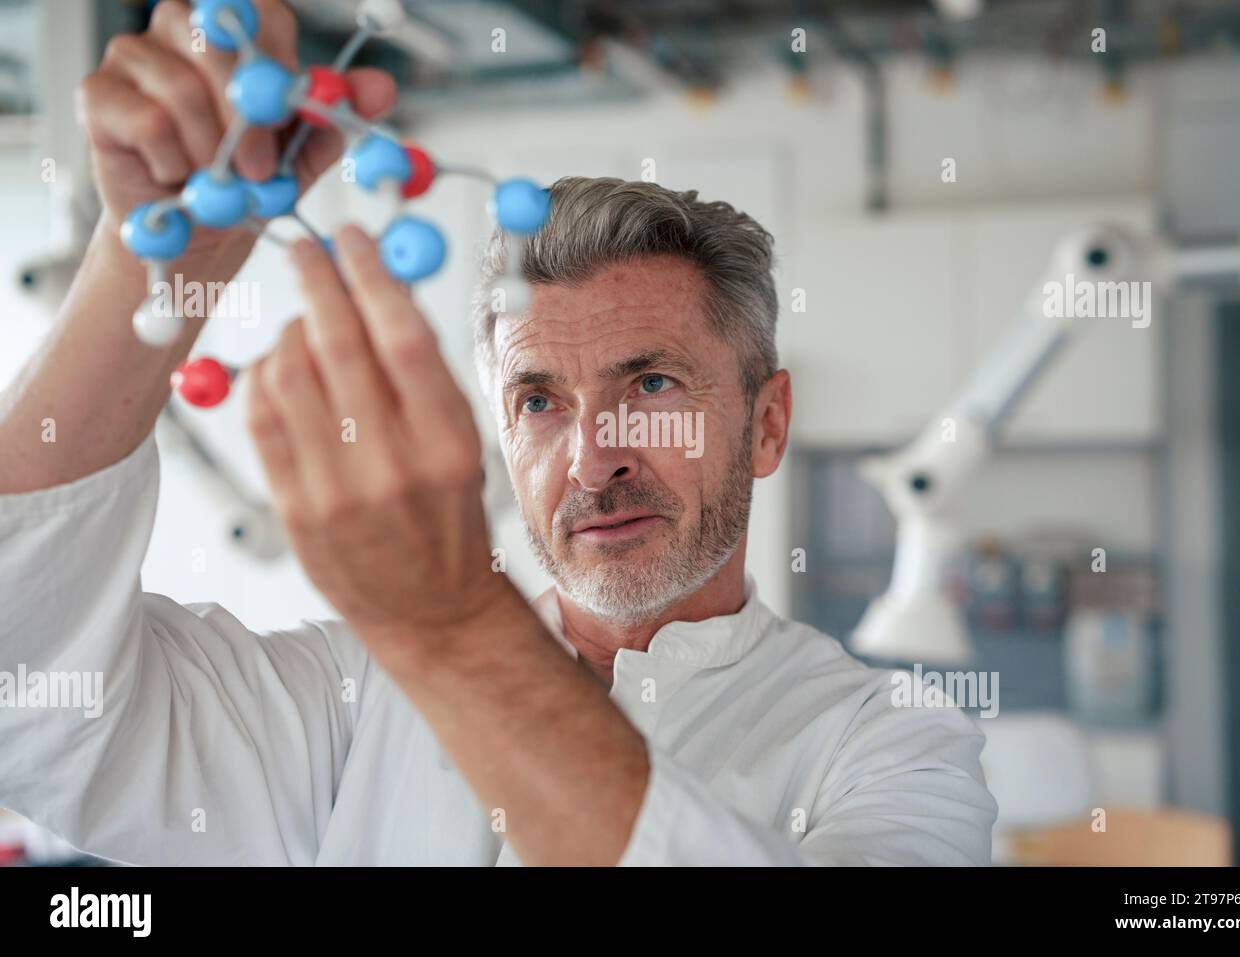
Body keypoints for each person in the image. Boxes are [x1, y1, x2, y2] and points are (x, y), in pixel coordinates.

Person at [0, 0, 997, 866]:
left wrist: (455, 627)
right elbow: (27, 693)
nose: (590, 455)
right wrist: (163, 266)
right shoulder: (350, 701)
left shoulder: (889, 745)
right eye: (537, 400)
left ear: (766, 422)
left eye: (649, 383)